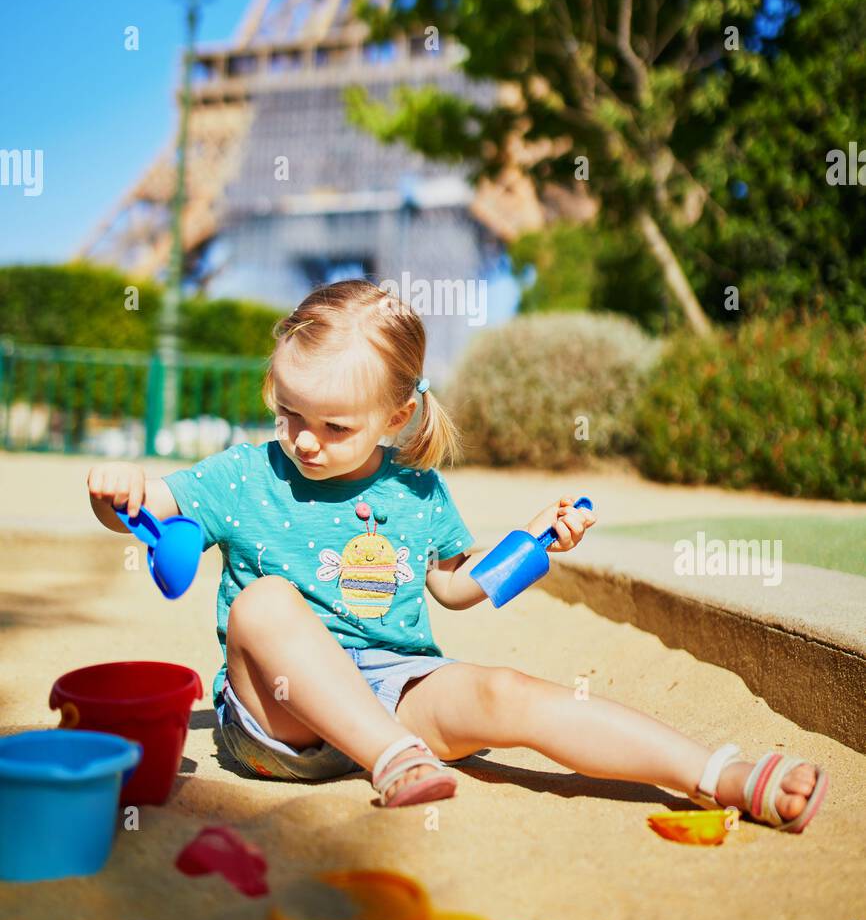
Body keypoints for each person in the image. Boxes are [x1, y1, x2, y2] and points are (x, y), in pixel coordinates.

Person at [87, 280, 828, 824]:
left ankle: (718, 775)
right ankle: (390, 759)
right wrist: (119, 493)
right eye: (289, 414)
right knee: (263, 602)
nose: (306, 440)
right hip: (282, 724)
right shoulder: (244, 474)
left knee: (510, 691)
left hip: (397, 688)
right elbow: (154, 511)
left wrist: (533, 544)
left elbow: (454, 585)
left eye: (335, 425)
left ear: (396, 415)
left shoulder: (417, 489)